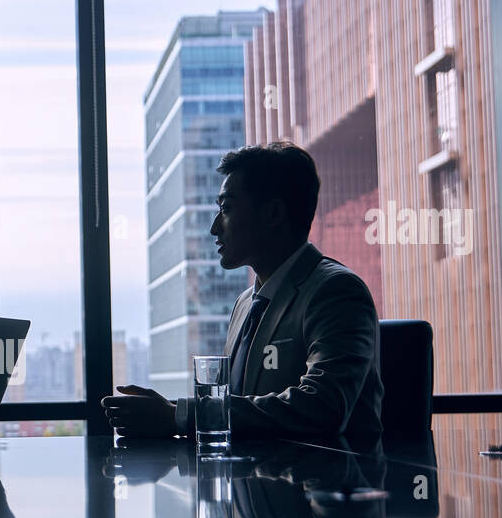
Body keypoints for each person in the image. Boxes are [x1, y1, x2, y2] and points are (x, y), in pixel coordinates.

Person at [102, 142, 383, 446]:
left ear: (273, 212)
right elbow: (239, 412)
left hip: (322, 486)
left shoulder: (336, 292)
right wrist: (171, 412)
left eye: (226, 208)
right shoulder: (245, 304)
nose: (214, 228)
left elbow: (322, 408)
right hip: (251, 485)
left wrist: (178, 416)